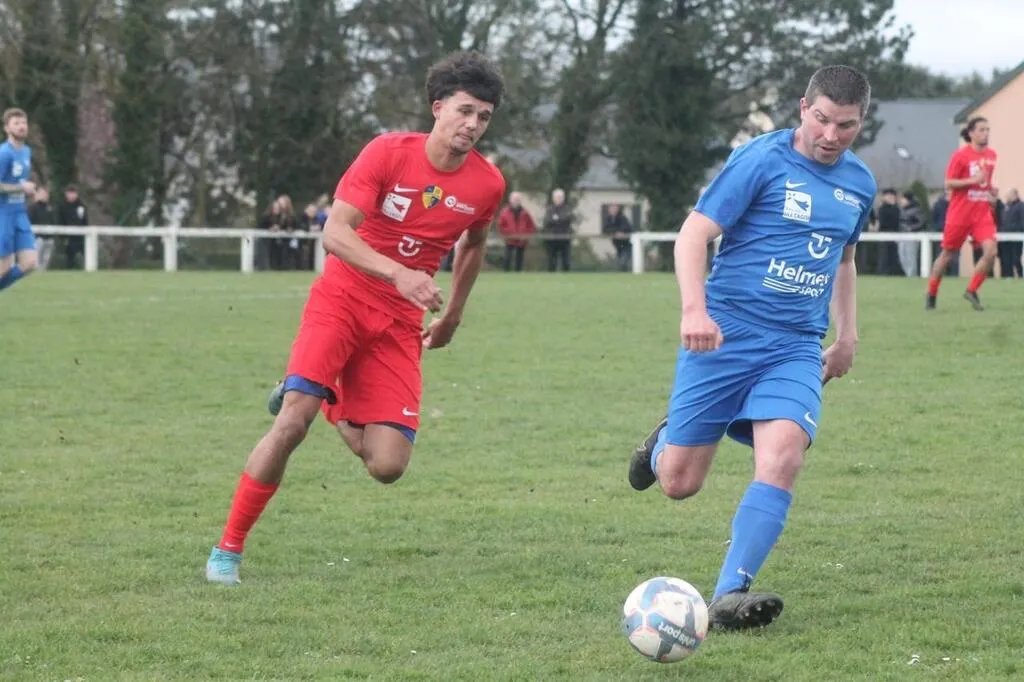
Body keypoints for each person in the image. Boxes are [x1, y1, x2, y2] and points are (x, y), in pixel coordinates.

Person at [205, 50, 506, 585]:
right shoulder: (387, 153)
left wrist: (454, 315)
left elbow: (474, 245)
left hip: (398, 323)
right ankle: (228, 548)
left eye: (483, 116)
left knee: (387, 466)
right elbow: (335, 233)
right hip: (342, 300)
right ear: (437, 108)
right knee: (291, 421)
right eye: (464, 111)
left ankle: (329, 398)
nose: (472, 125)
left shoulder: (486, 185)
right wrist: (399, 273)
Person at [626, 65, 876, 630]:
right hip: (726, 335)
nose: (831, 135)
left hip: (794, 346)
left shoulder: (859, 183)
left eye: (847, 125)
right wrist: (694, 309)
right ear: (802, 107)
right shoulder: (760, 160)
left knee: (784, 456)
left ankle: (729, 595)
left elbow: (844, 259)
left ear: (862, 122)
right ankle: (665, 440)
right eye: (821, 119)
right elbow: (692, 235)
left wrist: (847, 335)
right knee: (679, 484)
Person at [925, 117, 997, 311]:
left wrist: (991, 191)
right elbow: (949, 183)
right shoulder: (960, 156)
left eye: (987, 130)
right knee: (947, 254)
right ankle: (931, 292)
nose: (986, 133)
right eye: (982, 130)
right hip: (960, 213)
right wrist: (973, 180)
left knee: (991, 251)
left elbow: (984, 183)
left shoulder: (992, 155)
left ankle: (972, 290)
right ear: (971, 133)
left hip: (982, 213)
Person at [0, 108, 38, 291]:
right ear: (7, 128)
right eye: (16, 123)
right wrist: (20, 188)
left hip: (19, 212)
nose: (22, 127)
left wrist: (29, 191)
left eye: (24, 123)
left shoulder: (26, 152)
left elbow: (19, 181)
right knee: (4, 266)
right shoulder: (3, 153)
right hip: (4, 214)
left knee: (30, 262)